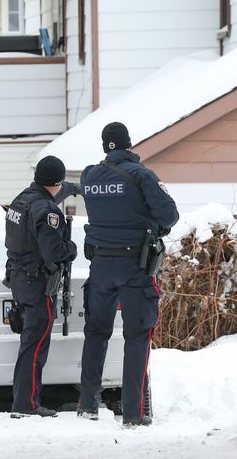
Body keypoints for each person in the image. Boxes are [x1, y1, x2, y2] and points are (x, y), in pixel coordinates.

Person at [77, 122, 179, 427]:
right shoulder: (141, 175)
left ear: (105, 144)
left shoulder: (88, 176)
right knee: (137, 336)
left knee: (96, 333)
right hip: (135, 266)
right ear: (128, 144)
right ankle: (133, 413)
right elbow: (169, 215)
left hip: (100, 267)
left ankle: (88, 405)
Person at [5, 155, 79, 418]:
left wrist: (73, 188)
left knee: (29, 341)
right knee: (35, 344)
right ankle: (26, 405)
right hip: (36, 283)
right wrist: (72, 248)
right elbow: (54, 251)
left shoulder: (21, 200)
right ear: (56, 183)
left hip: (18, 278)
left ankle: (25, 401)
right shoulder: (47, 212)